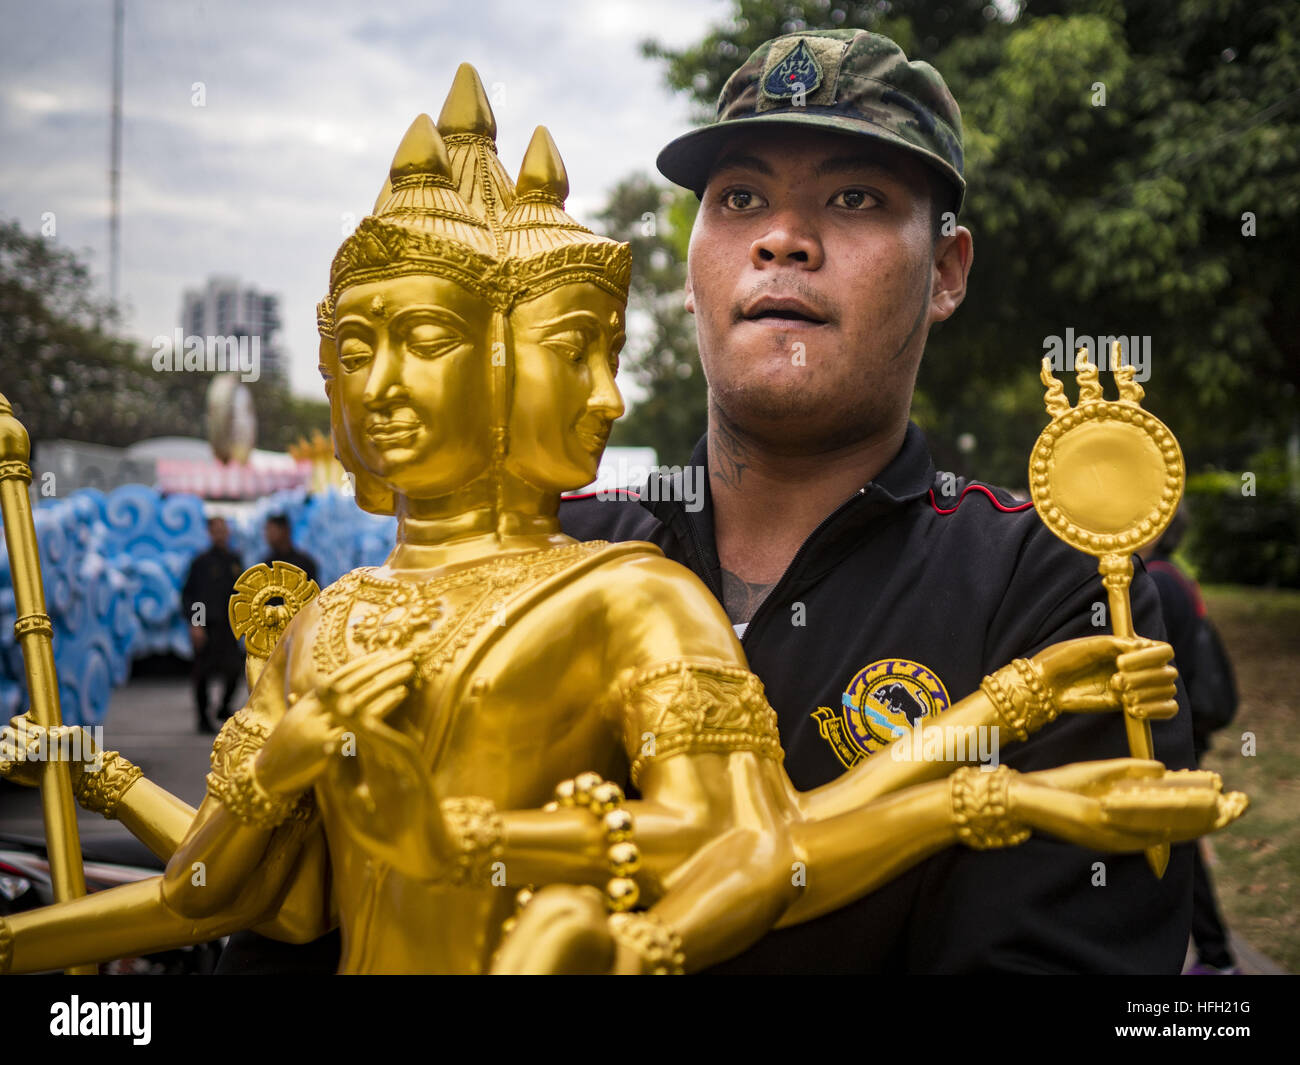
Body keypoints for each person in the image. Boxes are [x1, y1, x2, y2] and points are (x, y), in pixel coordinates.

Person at [560, 27, 1200, 973]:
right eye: (740, 198)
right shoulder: (555, 549)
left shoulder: (1056, 594)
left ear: (946, 271)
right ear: (690, 274)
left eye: (854, 198)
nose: (782, 238)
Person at [1140, 510, 1241, 974]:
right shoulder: (1174, 576)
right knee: (1180, 841)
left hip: (1172, 731)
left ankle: (1216, 957)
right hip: (1187, 726)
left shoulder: (1154, 583)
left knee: (1178, 843)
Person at [181, 516, 246, 733]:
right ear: (210, 533)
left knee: (235, 670)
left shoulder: (235, 560)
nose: (221, 534)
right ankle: (203, 718)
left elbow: (242, 594)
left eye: (223, 529)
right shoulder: (201, 562)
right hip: (207, 626)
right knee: (202, 675)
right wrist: (196, 625)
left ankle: (224, 707)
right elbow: (193, 595)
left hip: (229, 627)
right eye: (216, 530)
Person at [261, 513, 318, 584]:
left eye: (272, 531)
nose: (268, 536)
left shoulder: (304, 563)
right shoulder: (266, 565)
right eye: (267, 532)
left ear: (285, 530)